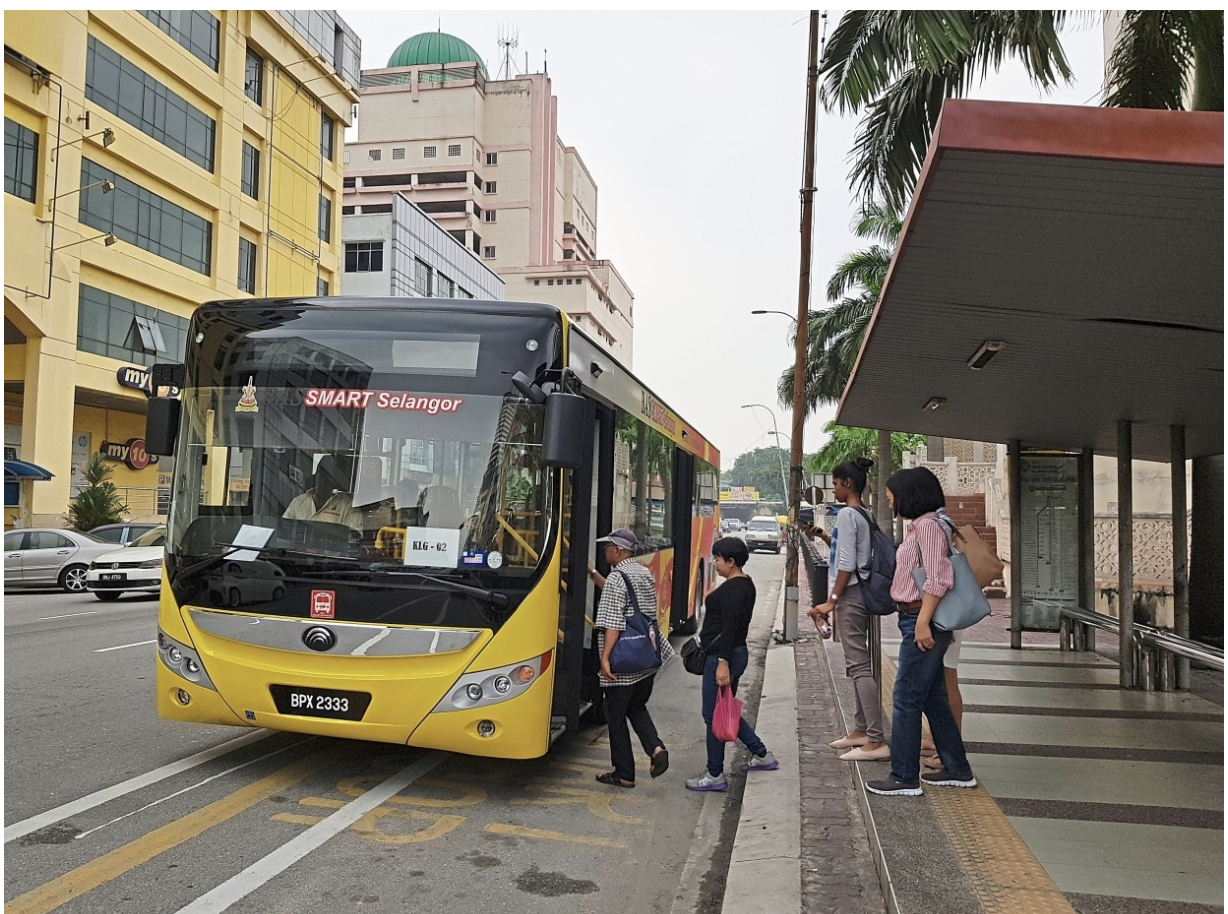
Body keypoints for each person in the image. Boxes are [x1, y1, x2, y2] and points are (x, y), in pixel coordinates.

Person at [866, 467, 977, 797]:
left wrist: (925, 622)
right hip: (920, 618)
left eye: (892, 495)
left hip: (919, 617)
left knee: (906, 698)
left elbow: (939, 577)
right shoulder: (926, 525)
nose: (889, 500)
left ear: (909, 494)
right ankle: (957, 769)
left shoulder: (928, 526)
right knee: (933, 698)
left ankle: (904, 776)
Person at [807, 458, 889, 762]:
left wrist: (832, 599)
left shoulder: (846, 516)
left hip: (852, 594)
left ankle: (876, 739)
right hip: (860, 592)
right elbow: (850, 554)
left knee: (858, 665)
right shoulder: (863, 514)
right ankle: (861, 729)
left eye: (836, 483)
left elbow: (846, 564)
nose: (834, 489)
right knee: (858, 664)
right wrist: (825, 538)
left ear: (848, 483)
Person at [685, 536, 779, 791]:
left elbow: (730, 629)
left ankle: (715, 774)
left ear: (731, 561)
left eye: (717, 559)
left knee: (713, 714)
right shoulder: (745, 584)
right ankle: (761, 754)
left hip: (724, 656)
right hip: (730, 654)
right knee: (723, 710)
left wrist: (722, 663)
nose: (714, 563)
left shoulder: (734, 590)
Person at [587, 528, 672, 788]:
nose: (605, 551)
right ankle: (656, 749)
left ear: (619, 551)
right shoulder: (641, 571)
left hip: (623, 661)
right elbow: (628, 603)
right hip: (644, 656)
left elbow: (614, 623)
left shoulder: (617, 578)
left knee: (615, 716)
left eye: (608, 547)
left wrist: (604, 659)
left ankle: (624, 773)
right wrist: (592, 574)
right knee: (636, 706)